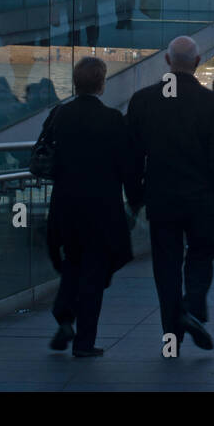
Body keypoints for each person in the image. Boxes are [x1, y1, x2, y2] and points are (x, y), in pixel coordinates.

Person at [125, 36, 214, 353]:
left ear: (168, 62)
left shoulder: (143, 101)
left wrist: (136, 198)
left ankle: (172, 335)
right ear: (198, 62)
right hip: (201, 198)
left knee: (166, 265)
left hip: (161, 197)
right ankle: (191, 305)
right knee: (201, 253)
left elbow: (131, 157)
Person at [45, 57, 143, 357]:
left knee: (72, 261)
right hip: (102, 208)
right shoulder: (113, 119)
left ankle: (64, 315)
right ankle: (84, 341)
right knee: (95, 271)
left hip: (65, 205)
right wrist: (135, 201)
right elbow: (128, 166)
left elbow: (44, 155)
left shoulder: (59, 114)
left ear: (76, 83)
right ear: (101, 84)